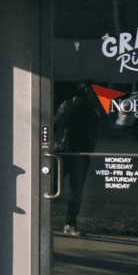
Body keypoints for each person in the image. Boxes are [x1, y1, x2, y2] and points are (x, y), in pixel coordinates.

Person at [52, 81, 103, 235]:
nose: (83, 94)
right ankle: (44, 221)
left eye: (87, 91)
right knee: (51, 188)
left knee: (76, 191)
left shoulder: (93, 107)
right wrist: (72, 106)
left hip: (81, 153)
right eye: (81, 91)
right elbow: (55, 123)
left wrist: (93, 99)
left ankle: (70, 224)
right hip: (63, 151)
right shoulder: (68, 105)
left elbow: (104, 121)